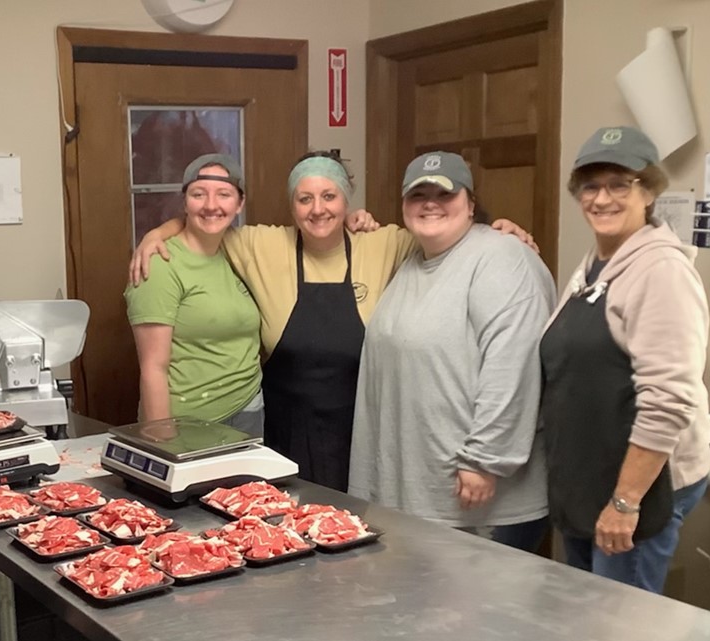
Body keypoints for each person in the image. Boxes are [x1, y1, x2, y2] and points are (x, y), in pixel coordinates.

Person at [129, 151, 534, 490]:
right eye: (304, 199)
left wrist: (499, 231)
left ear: (346, 202)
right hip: (280, 431)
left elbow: (445, 229)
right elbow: (205, 222)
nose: (318, 209)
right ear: (291, 206)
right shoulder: (259, 243)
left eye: (329, 196)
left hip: (360, 430)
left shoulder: (385, 243)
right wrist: (156, 233)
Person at [348, 152, 554, 552]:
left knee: (480, 615)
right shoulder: (412, 261)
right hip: (418, 497)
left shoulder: (503, 258)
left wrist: (484, 460)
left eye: (444, 194)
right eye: (418, 194)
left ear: (471, 203)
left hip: (480, 504)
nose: (430, 203)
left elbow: (513, 365)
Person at [539, 126, 710, 591]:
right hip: (592, 477)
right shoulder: (597, 262)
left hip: (638, 491)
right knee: (588, 613)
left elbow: (668, 400)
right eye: (591, 186)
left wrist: (625, 503)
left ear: (650, 190)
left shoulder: (662, 271)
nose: (602, 199)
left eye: (620, 184)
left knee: (621, 624)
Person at [124, 154, 264, 436]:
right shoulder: (160, 264)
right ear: (185, 202)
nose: (211, 205)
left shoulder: (238, 250)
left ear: (240, 203)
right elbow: (153, 368)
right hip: (188, 422)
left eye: (224, 194)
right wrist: (162, 442)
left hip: (248, 408)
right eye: (199, 194)